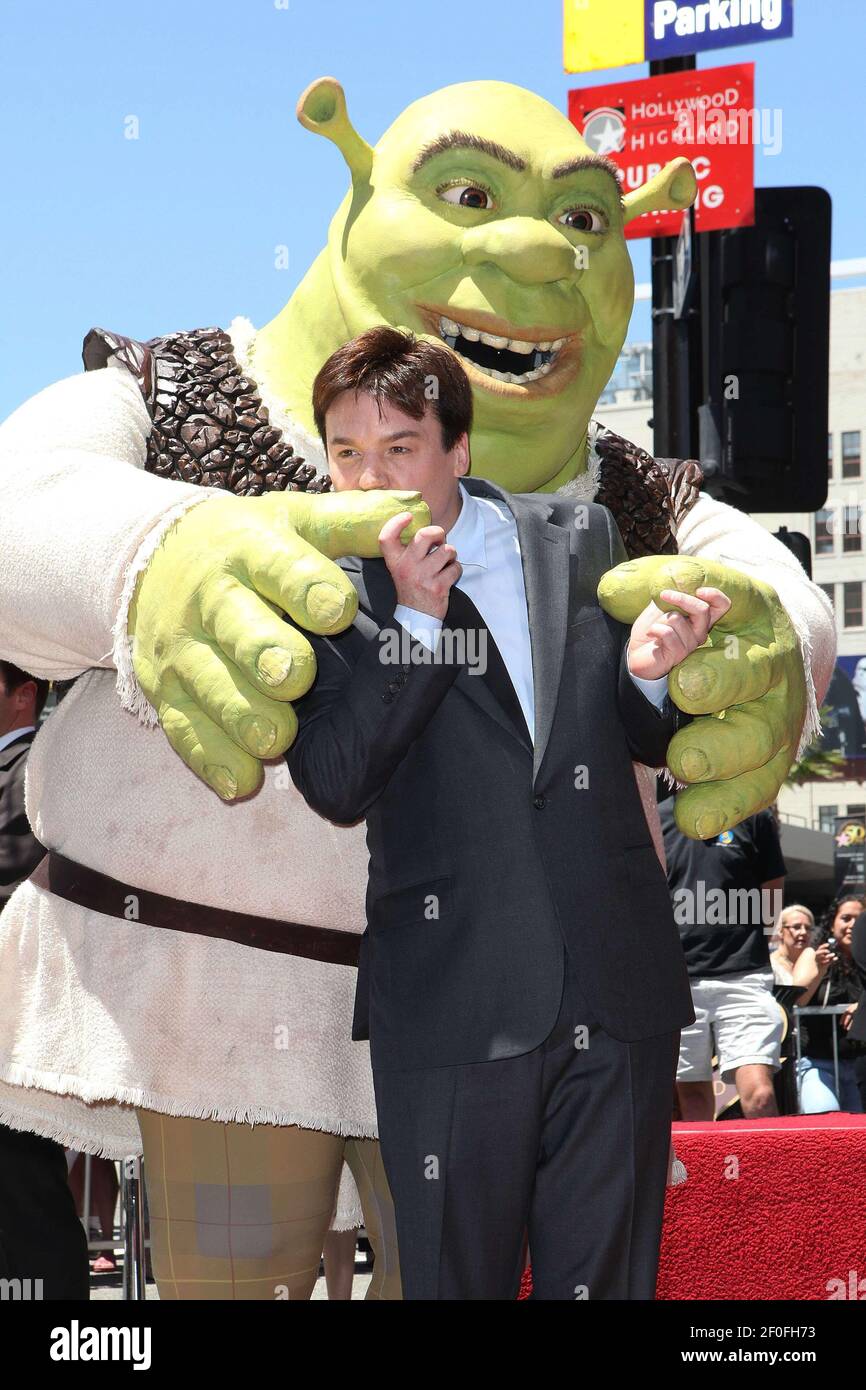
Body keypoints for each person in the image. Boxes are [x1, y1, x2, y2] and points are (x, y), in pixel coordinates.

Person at [285, 325, 737, 1301]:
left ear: (457, 449)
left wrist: (653, 678)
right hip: (450, 1005)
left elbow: (639, 733)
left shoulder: (580, 539)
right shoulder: (320, 591)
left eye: (398, 448)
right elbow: (333, 781)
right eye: (345, 453)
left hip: (613, 994)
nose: (368, 479)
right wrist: (411, 624)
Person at [659, 797, 787, 1122]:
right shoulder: (656, 816)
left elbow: (772, 884)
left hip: (745, 976)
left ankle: (767, 1174)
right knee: (693, 1104)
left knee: (760, 1096)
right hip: (678, 982)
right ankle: (707, 1175)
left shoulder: (753, 814)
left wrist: (761, 936)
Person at [792, 895, 866, 1114]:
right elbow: (797, 1000)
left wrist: (860, 1006)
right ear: (832, 922)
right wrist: (819, 969)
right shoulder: (814, 954)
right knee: (826, 1120)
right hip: (818, 1062)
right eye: (845, 918)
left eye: (858, 918)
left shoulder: (862, 960)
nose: (852, 925)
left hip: (857, 1062)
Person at [770, 904, 815, 985]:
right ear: (780, 931)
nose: (804, 932)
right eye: (796, 927)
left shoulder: (813, 965)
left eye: (808, 928)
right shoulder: (770, 966)